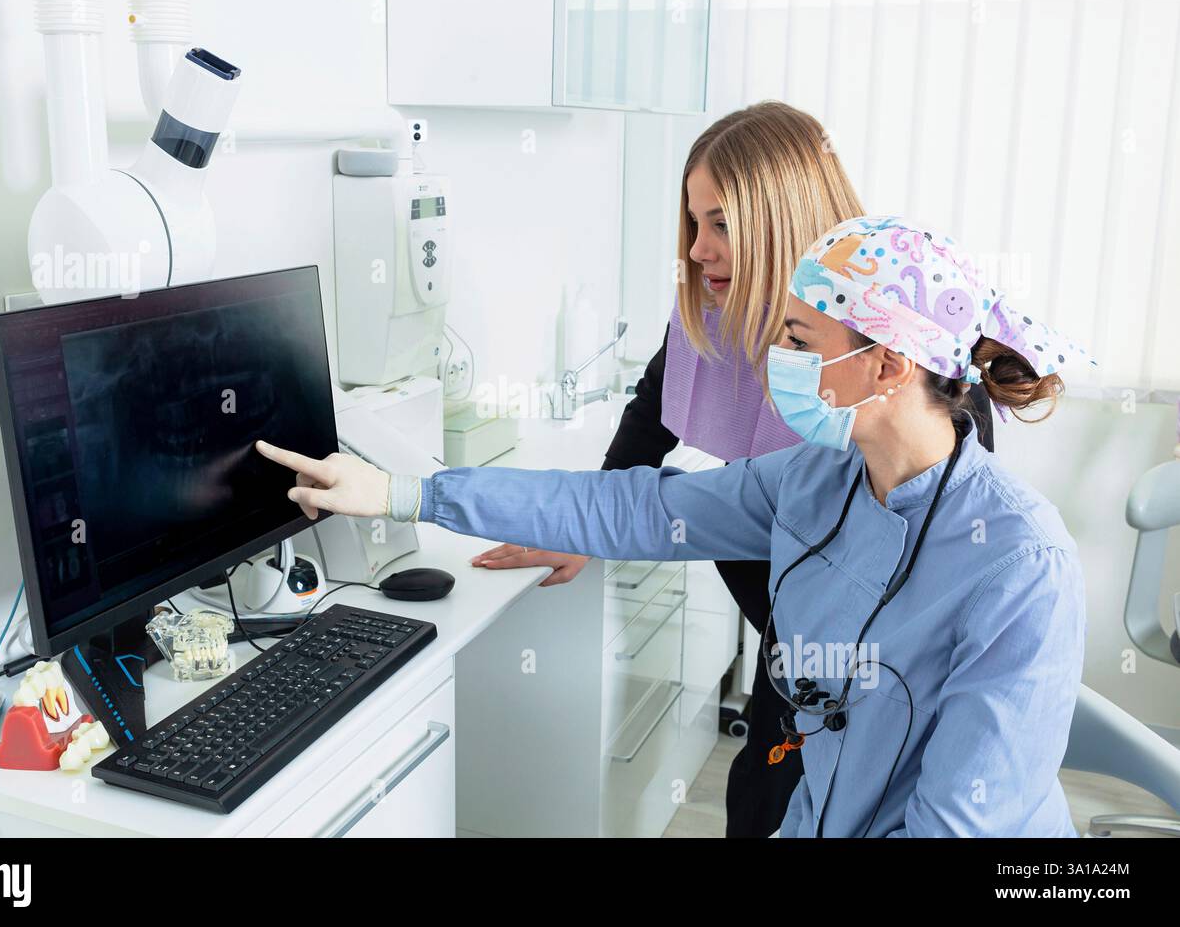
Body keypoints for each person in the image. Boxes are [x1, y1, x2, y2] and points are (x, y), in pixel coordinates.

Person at [257, 216, 1093, 837]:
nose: (779, 362)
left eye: (801, 341)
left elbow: (957, 825)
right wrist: (406, 491)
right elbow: (629, 506)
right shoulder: (813, 482)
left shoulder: (1019, 566)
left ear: (887, 363)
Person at [461, 102, 993, 838]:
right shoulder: (712, 314)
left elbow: (960, 542)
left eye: (722, 225)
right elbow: (652, 412)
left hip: (889, 671)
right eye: (693, 223)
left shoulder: (901, 341)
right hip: (789, 637)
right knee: (760, 804)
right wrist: (588, 527)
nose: (698, 250)